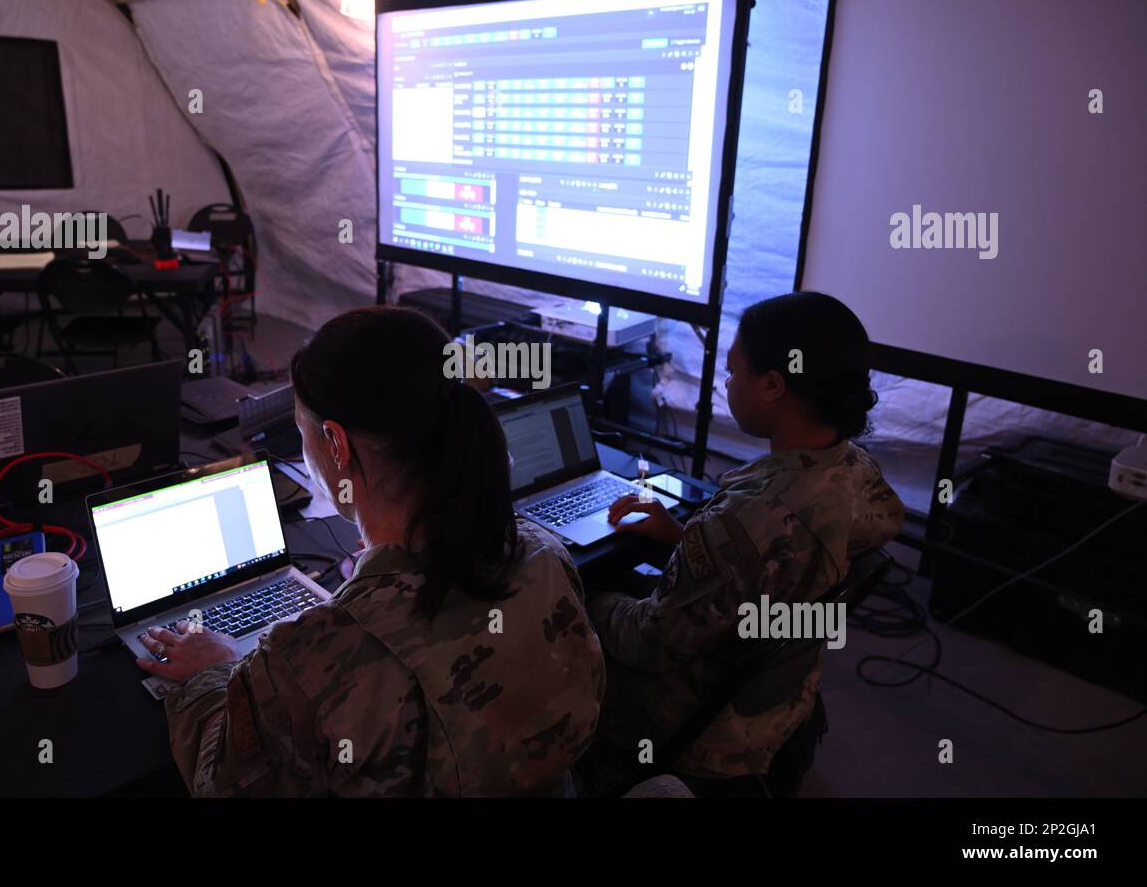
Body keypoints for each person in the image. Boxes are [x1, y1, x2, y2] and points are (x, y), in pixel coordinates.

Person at [138, 306, 605, 796]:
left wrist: (214, 676)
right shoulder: (545, 556)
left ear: (336, 444)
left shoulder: (312, 653)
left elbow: (220, 783)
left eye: (302, 436)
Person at [586, 292, 905, 792]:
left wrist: (583, 594)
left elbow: (647, 644)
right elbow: (773, 563)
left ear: (774, 386)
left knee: (558, 615)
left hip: (702, 731)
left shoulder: (744, 524)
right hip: (781, 699)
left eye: (733, 372)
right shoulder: (855, 471)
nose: (726, 383)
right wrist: (685, 541)